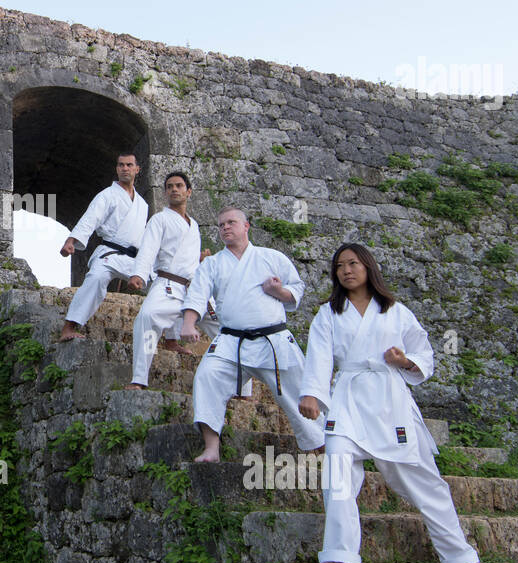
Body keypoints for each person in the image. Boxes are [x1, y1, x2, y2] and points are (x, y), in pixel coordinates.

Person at [298, 243, 489, 563]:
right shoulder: (328, 313)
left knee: (426, 481)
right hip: (348, 399)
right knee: (338, 473)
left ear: (368, 267)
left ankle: (460, 555)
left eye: (353, 263)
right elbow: (319, 355)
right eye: (340, 266)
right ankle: (340, 552)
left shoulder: (395, 311)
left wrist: (404, 361)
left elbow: (423, 352)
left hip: (390, 401)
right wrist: (312, 393)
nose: (346, 270)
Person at [179, 207, 325, 461]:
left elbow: (296, 288)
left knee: (299, 392)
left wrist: (278, 292)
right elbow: (197, 295)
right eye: (221, 224)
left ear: (246, 226)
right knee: (206, 377)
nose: (225, 227)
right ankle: (211, 447)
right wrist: (189, 323)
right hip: (230, 341)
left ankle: (323, 444)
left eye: (231, 222)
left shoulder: (272, 257)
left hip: (274, 340)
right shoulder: (212, 264)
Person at [124, 171, 218, 389]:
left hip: (194, 289)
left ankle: (241, 389)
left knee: (229, 327)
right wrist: (138, 274)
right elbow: (149, 249)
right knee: (146, 317)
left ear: (189, 191)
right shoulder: (160, 219)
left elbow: (183, 256)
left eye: (179, 186)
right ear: (165, 193)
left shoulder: (193, 225)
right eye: (169, 187)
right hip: (167, 285)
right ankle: (139, 378)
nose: (174, 189)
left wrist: (200, 259)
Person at [57, 153, 149, 342]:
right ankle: (69, 326)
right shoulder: (107, 195)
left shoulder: (143, 205)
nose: (125, 168)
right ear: (117, 169)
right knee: (96, 278)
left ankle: (172, 339)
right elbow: (91, 218)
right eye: (121, 165)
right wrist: (71, 241)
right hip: (109, 253)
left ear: (137, 169)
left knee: (162, 284)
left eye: (129, 165)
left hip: (133, 260)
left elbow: (148, 236)